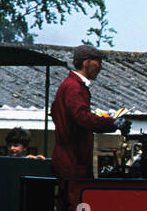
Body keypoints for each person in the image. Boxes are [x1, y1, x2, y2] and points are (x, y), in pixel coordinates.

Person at [51, 44, 122, 180]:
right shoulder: (74, 87)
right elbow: (82, 118)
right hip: (73, 160)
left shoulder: (69, 85)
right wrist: (113, 123)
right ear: (86, 63)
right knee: (77, 199)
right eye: (98, 62)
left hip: (70, 158)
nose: (100, 67)